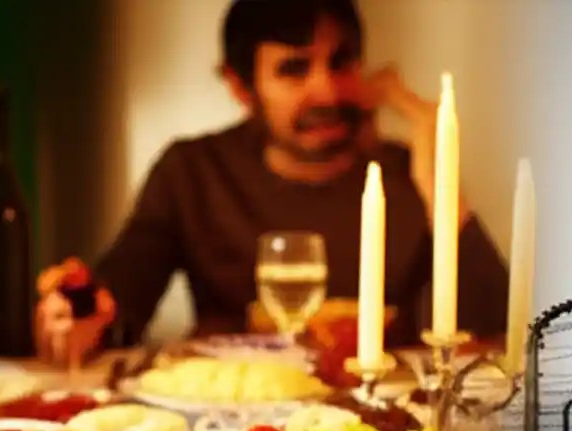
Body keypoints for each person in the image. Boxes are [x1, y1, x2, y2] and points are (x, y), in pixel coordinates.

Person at [30, 0, 508, 363]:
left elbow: (488, 333)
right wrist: (81, 315)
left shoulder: (404, 176)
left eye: (341, 62)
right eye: (294, 69)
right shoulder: (194, 171)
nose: (326, 89)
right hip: (230, 422)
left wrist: (436, 168)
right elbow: (123, 294)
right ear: (241, 87)